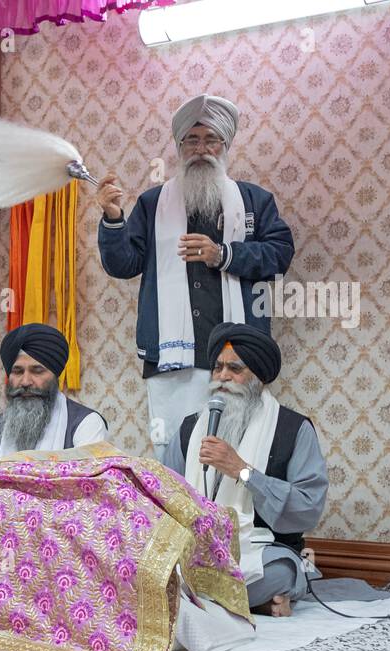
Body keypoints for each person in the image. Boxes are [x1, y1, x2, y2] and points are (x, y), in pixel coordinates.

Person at [96, 93, 295, 459]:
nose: (201, 148)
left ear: (225, 145)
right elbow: (123, 264)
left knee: (236, 453)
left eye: (210, 139)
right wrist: (112, 219)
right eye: (192, 140)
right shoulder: (153, 204)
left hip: (237, 356)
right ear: (179, 147)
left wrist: (223, 255)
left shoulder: (254, 201)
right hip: (172, 359)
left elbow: (280, 255)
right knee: (174, 453)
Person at [162, 323, 327, 617]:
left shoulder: (293, 429)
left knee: (282, 571)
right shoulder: (191, 428)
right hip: (194, 548)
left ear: (258, 378)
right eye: (217, 368)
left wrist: (242, 471)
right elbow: (162, 490)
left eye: (235, 369)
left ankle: (199, 600)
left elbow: (308, 507)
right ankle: (251, 603)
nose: (223, 376)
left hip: (260, 549)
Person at [0, 324, 108, 463]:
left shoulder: (86, 424)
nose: (25, 381)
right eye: (17, 371)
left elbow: (88, 483)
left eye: (37, 371)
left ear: (55, 376)